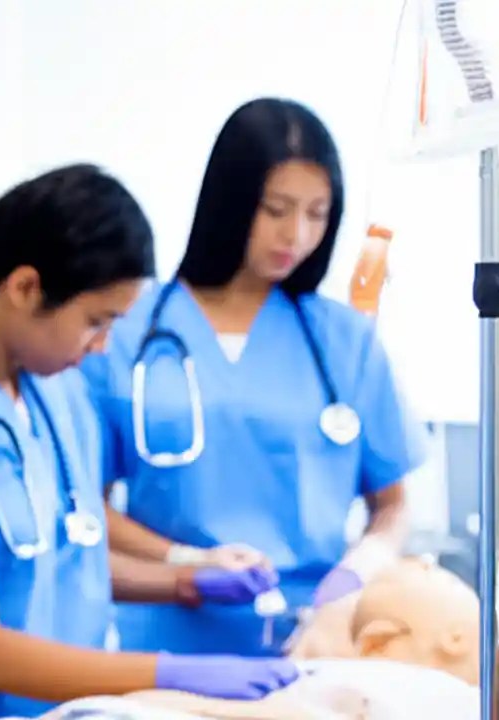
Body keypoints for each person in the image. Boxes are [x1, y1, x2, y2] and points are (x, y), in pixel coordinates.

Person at [0, 164, 299, 720]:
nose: (104, 346)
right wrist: (175, 673)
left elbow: (68, 553)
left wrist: (187, 580)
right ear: (25, 288)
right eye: (96, 321)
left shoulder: (51, 385)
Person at [81, 97, 427, 658]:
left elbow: (393, 504)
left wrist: (349, 586)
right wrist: (186, 561)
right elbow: (83, 507)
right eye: (276, 209)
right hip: (162, 646)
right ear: (231, 201)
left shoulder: (345, 341)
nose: (297, 233)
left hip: (313, 641)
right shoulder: (123, 332)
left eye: (317, 213)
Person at [34, 559, 499, 720]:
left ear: (455, 639)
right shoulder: (358, 680)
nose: (424, 562)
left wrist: (161, 697)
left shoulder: (449, 701)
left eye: (437, 576)